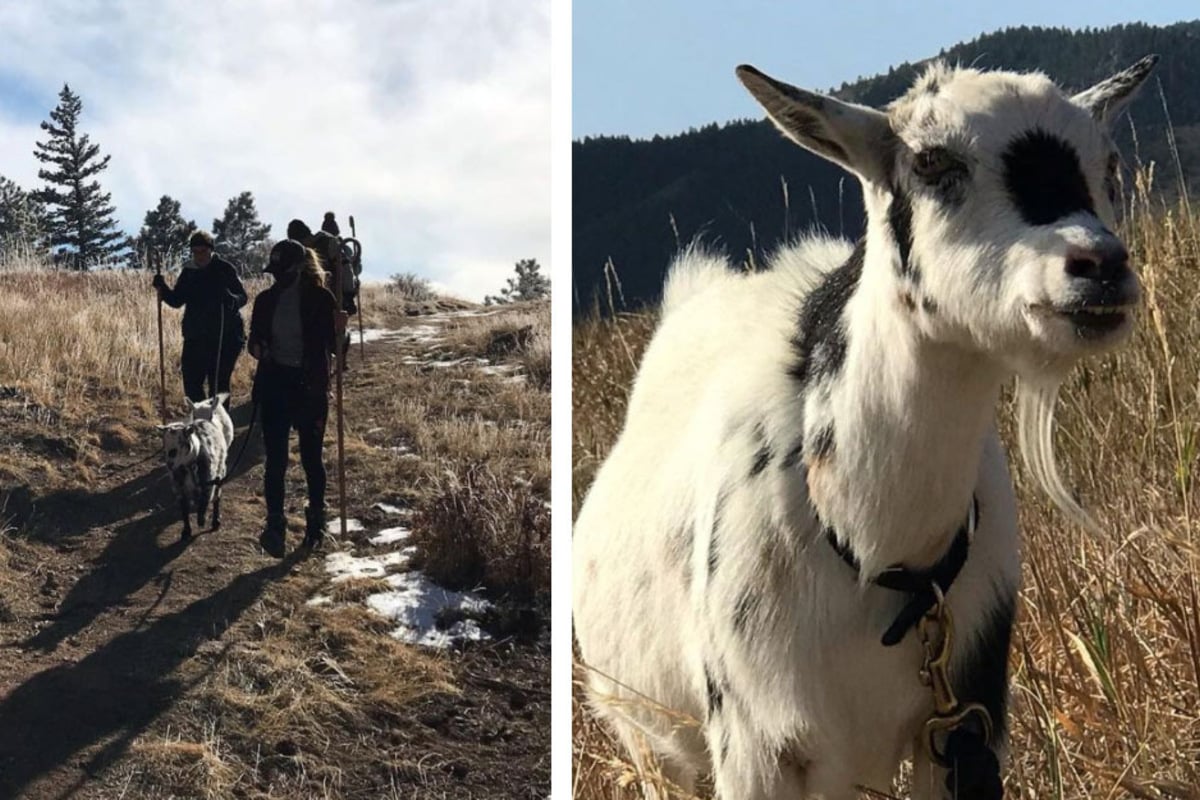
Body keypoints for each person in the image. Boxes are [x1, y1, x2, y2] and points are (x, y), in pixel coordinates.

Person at [247, 238, 347, 557]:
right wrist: (258, 348)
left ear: (296, 267)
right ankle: (275, 526)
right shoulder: (265, 300)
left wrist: (341, 330)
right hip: (275, 384)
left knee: (310, 459)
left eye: (281, 270)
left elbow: (336, 350)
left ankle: (315, 521)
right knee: (275, 460)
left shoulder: (321, 298)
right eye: (273, 271)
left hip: (310, 388)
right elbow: (254, 341)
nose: (276, 276)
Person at [152, 230, 247, 405]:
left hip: (225, 337)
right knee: (191, 384)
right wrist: (162, 288)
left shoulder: (224, 269)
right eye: (195, 251)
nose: (199, 255)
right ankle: (202, 423)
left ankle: (218, 427)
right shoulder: (189, 272)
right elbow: (176, 300)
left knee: (218, 386)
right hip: (196, 337)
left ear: (211, 250)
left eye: (202, 251)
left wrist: (231, 300)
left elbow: (242, 297)